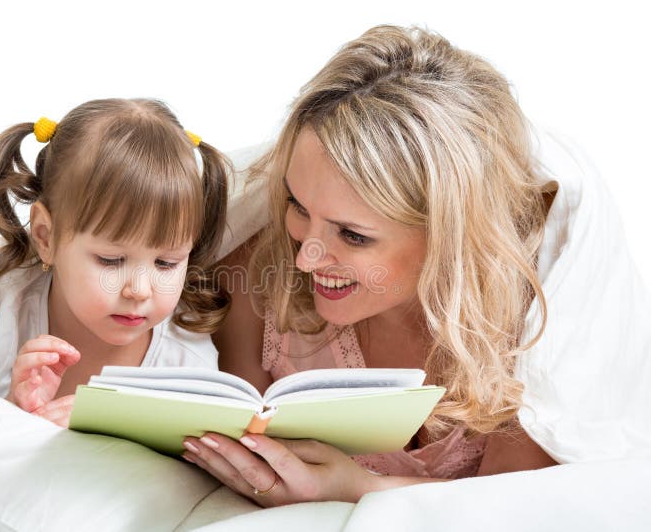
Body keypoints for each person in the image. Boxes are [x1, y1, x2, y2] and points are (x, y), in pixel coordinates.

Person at [181, 25, 562, 505]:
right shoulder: (261, 275)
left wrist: (359, 488)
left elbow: (519, 503)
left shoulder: (537, 314)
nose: (304, 257)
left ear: (451, 235)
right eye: (298, 206)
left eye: (353, 234)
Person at [0, 98, 231, 428]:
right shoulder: (2, 312)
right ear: (45, 237)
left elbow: (205, 452)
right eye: (111, 260)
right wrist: (10, 409)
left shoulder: (186, 356)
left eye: (166, 263)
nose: (139, 290)